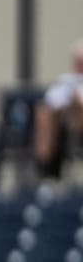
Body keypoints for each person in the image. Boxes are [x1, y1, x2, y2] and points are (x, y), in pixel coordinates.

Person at [33, 39, 83, 179]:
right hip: (64, 124)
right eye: (78, 60)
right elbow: (51, 100)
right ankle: (45, 167)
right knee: (44, 113)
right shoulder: (67, 80)